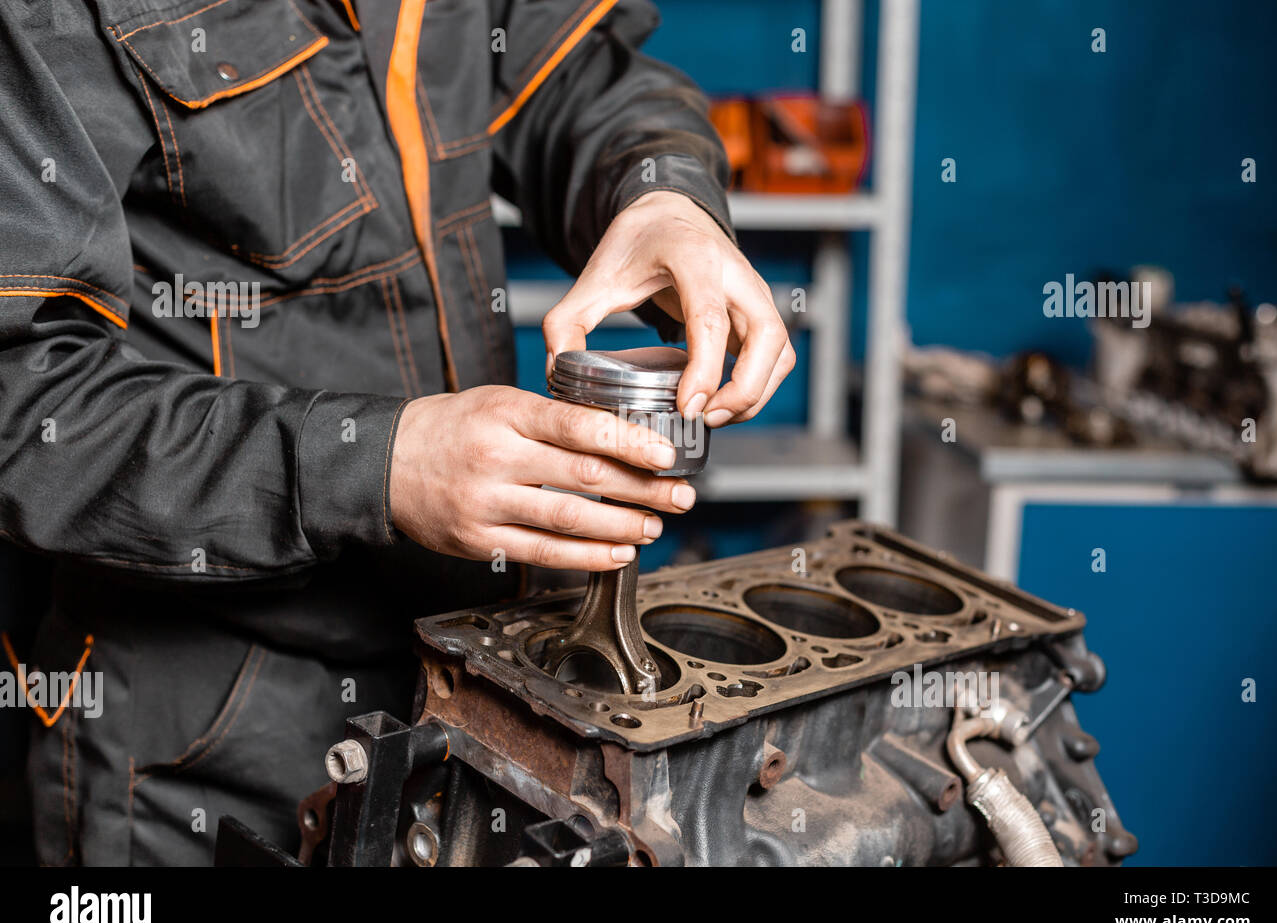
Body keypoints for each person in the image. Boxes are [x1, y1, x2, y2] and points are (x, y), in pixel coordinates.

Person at [0, 0, 793, 865]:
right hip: (205, 736)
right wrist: (375, 466)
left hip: (481, 681)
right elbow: (25, 401)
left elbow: (574, 78)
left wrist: (663, 194)